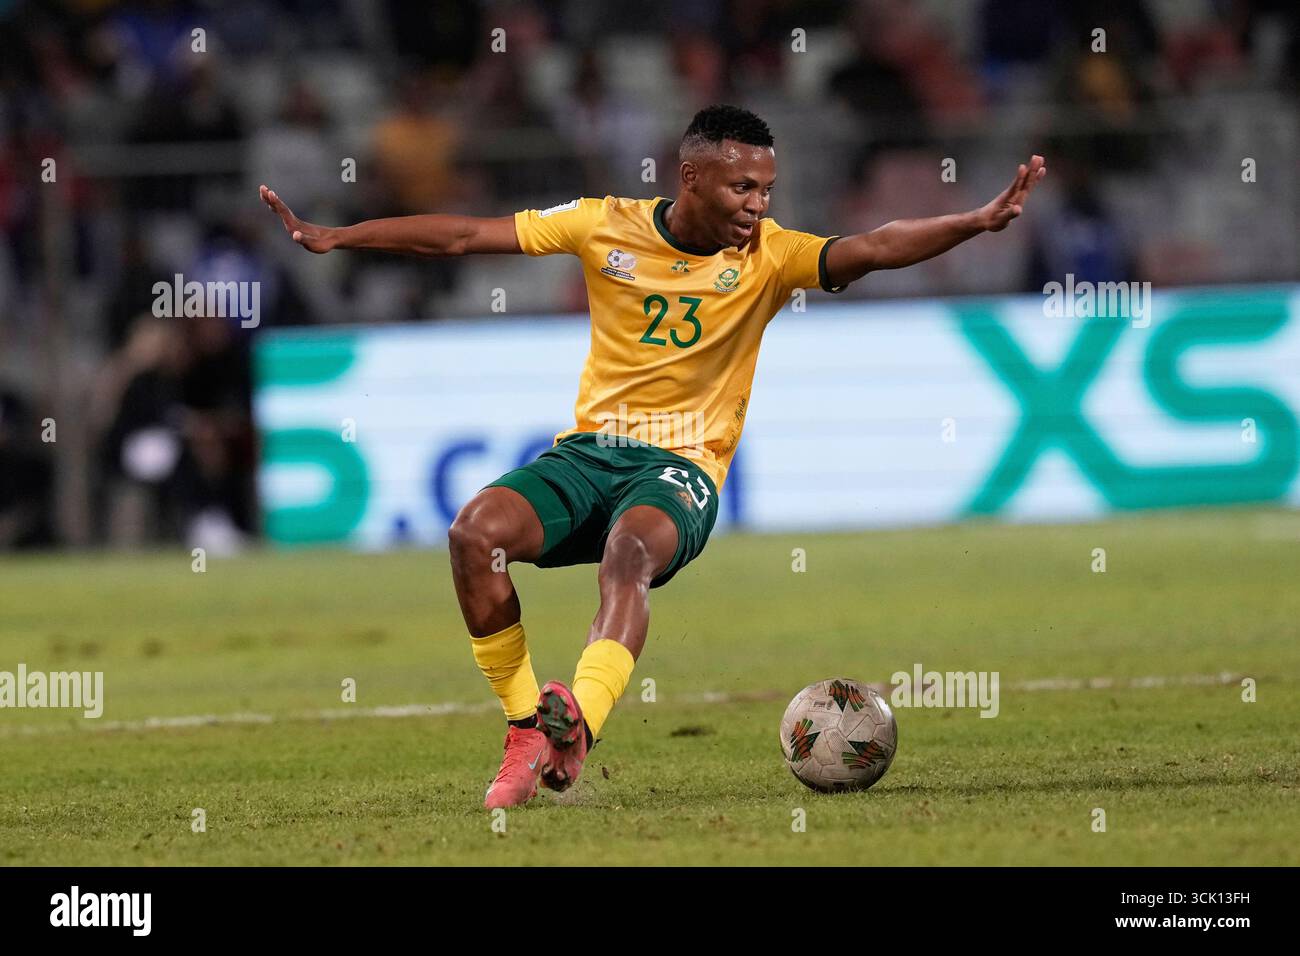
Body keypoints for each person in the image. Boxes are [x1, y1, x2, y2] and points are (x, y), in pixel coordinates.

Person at [259, 104, 1046, 808]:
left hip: (683, 468)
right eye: (741, 188)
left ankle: (584, 726)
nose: (758, 205)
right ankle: (529, 727)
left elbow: (872, 247)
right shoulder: (604, 224)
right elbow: (468, 233)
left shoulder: (771, 258)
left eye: (766, 190)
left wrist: (974, 221)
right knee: (474, 534)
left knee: (627, 554)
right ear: (692, 177)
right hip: (589, 453)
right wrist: (341, 236)